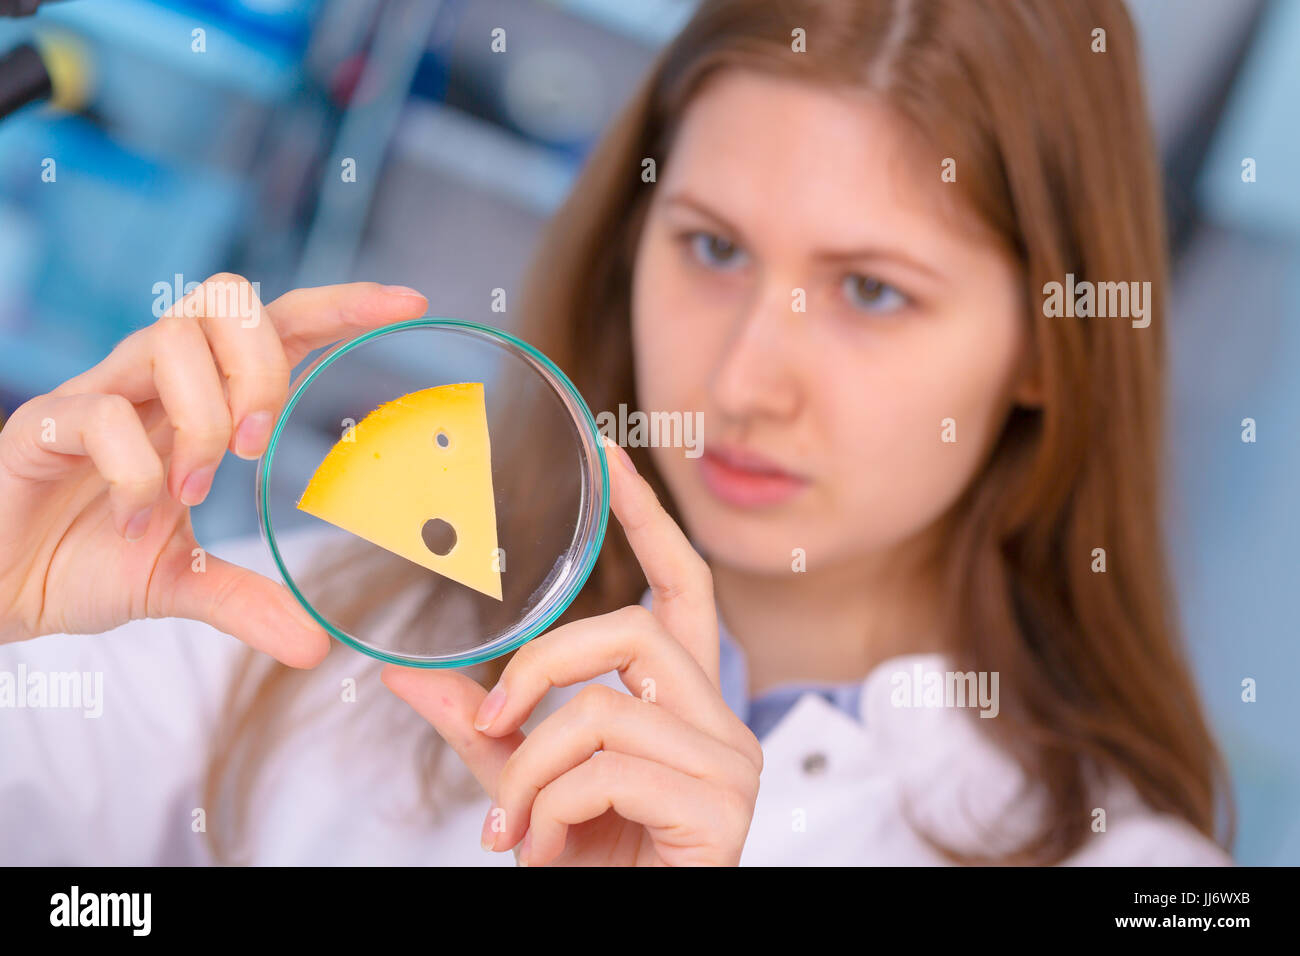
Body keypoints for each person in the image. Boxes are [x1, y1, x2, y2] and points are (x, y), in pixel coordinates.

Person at [0, 0, 1233, 866]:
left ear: (1043, 347)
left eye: (871, 290)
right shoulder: (333, 618)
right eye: (711, 246)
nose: (746, 380)